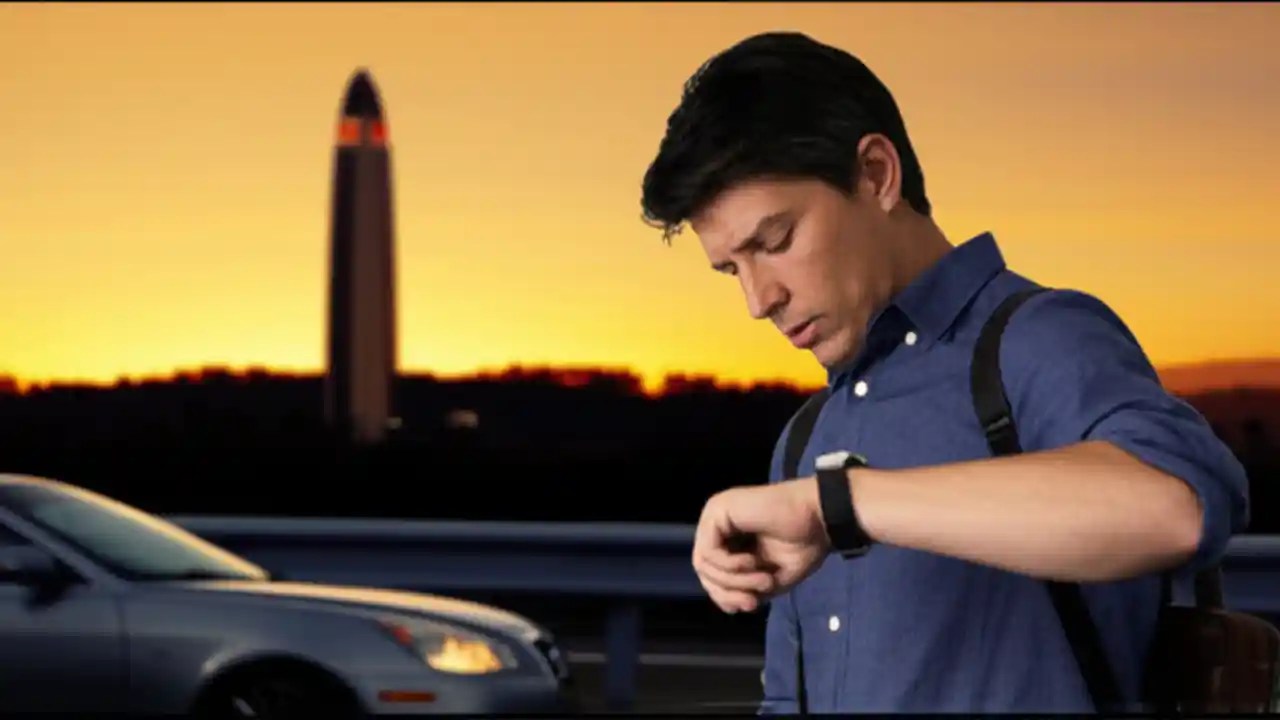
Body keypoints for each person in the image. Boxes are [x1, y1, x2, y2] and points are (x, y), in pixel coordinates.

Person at [638, 31, 1250, 713]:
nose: (758, 300)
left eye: (775, 241)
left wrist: (837, 503)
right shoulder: (806, 438)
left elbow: (1174, 512)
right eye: (731, 269)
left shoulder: (1036, 341)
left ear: (876, 174)